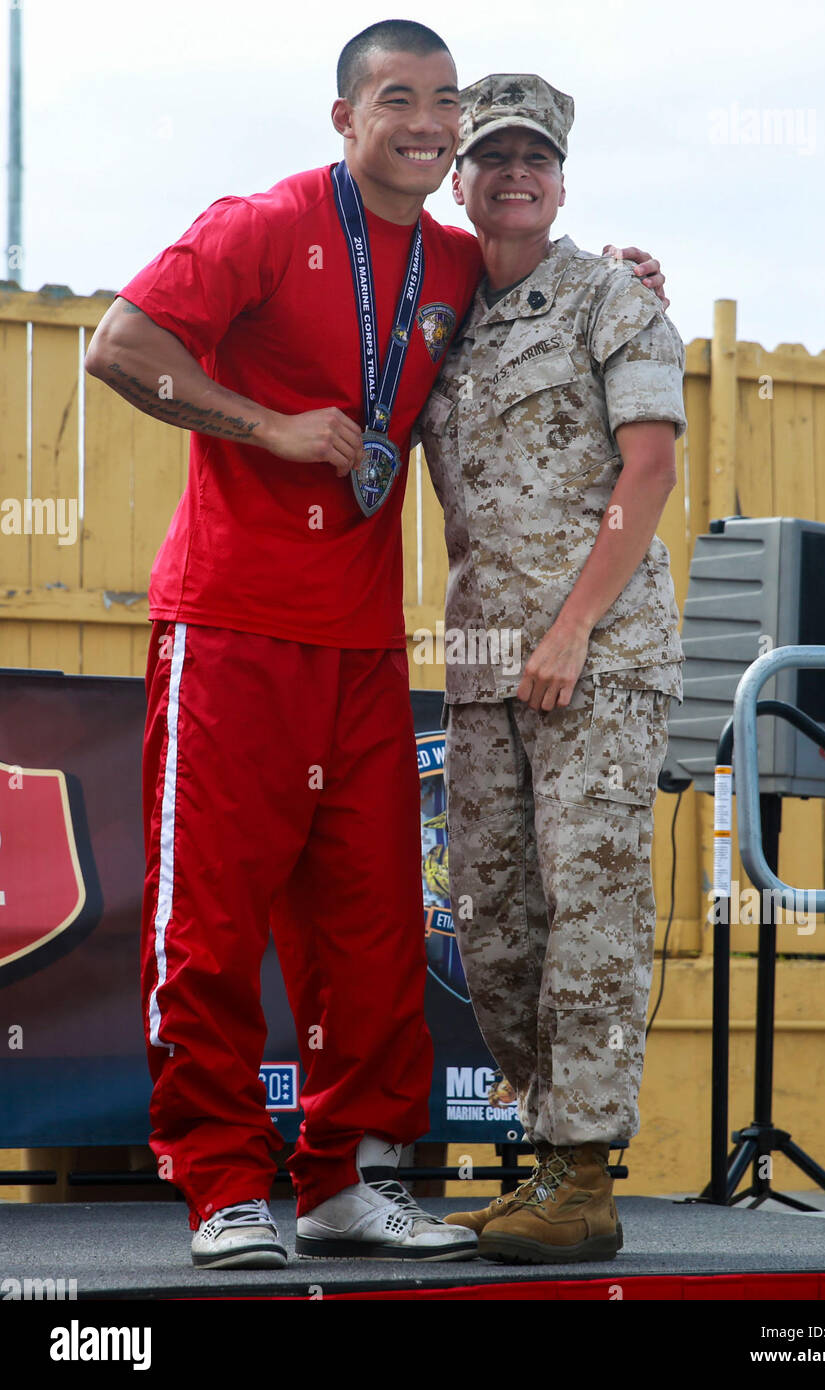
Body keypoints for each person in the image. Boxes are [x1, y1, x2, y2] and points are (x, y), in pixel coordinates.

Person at [84, 20, 669, 1269]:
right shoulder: (255, 222)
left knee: (373, 928)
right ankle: (225, 1184)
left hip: (363, 643)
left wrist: (627, 272)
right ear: (344, 115)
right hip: (230, 622)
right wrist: (270, 427)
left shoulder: (460, 265)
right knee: (210, 920)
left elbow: (555, 295)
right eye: (396, 97)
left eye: (441, 101)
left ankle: (343, 1178)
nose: (424, 120)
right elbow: (120, 347)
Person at [416, 74, 686, 1264]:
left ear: (560, 179)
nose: (512, 173)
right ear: (461, 182)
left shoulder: (609, 297)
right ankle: (540, 1152)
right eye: (490, 157)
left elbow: (648, 473)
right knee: (489, 916)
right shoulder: (441, 316)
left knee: (590, 904)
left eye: (534, 156)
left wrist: (572, 628)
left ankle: (582, 1172)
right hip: (483, 660)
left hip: (599, 655)